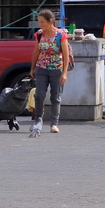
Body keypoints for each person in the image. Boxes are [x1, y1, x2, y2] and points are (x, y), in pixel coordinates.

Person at [29, 8, 71, 136]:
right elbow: (36, 51)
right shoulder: (39, 35)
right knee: (39, 95)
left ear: (50, 21)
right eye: (39, 22)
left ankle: (54, 123)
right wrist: (32, 68)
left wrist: (64, 72)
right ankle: (38, 121)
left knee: (55, 97)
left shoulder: (60, 35)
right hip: (42, 68)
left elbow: (65, 54)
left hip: (56, 69)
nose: (40, 24)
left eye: (42, 22)